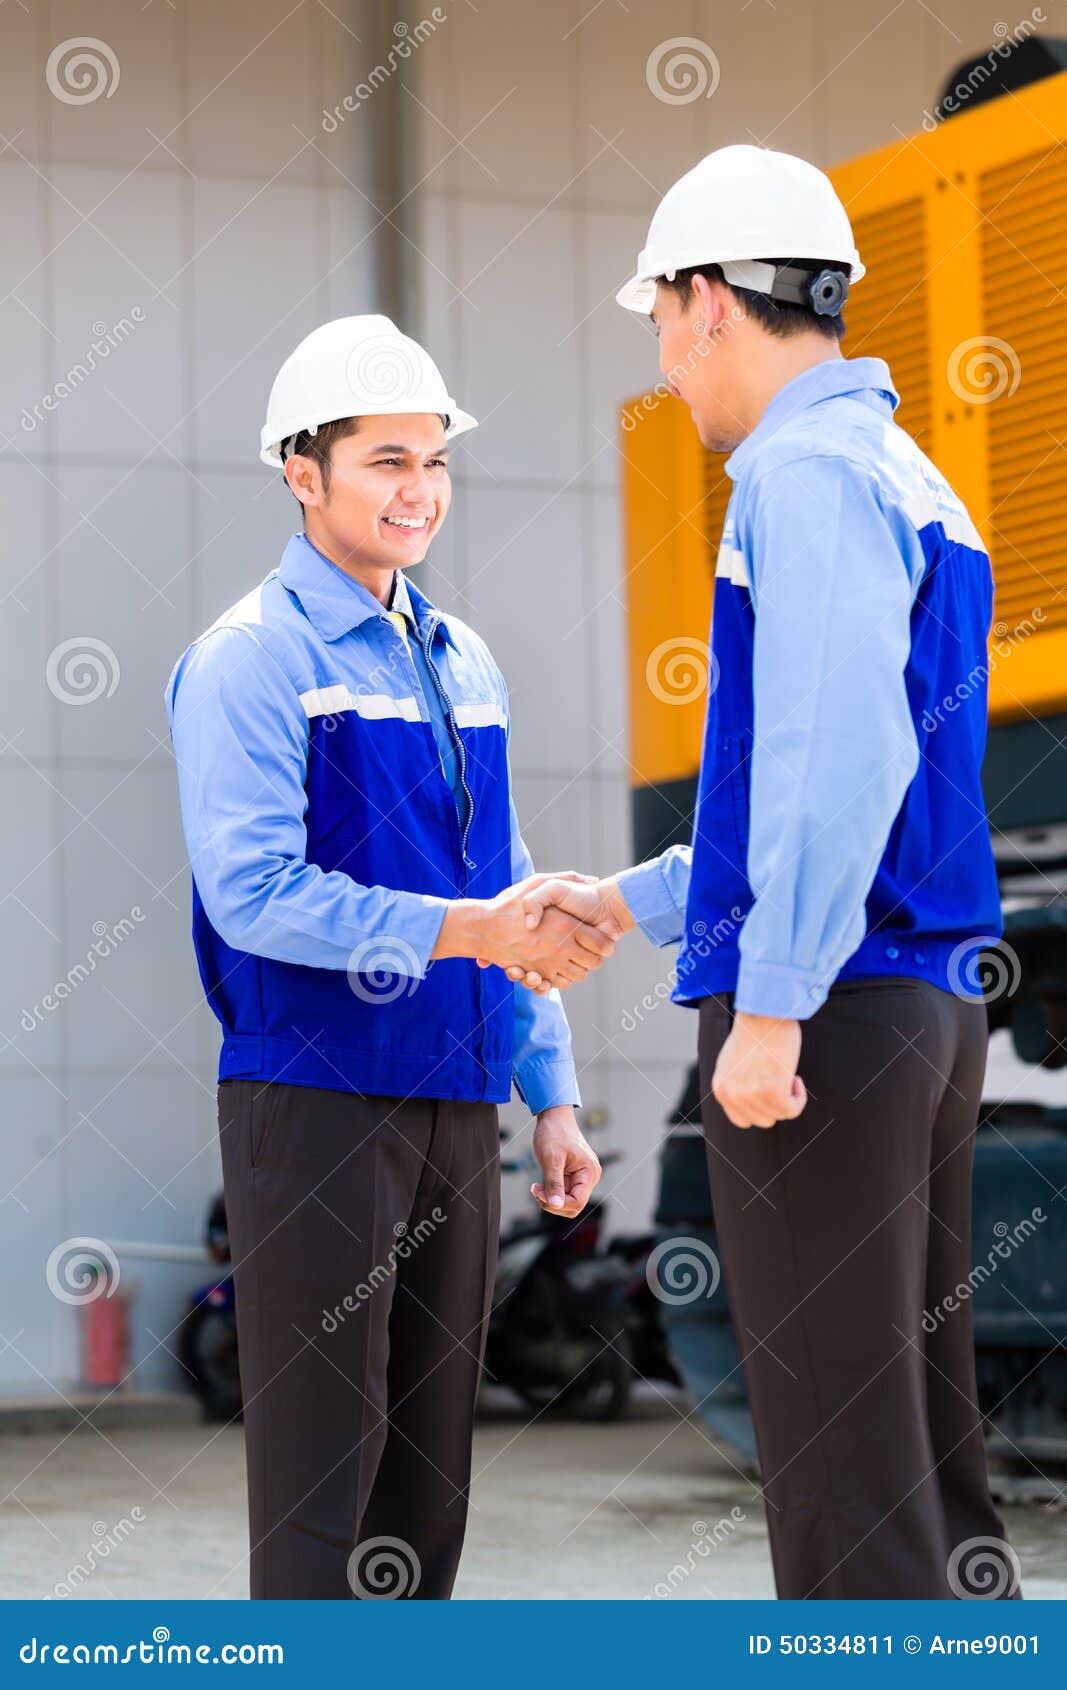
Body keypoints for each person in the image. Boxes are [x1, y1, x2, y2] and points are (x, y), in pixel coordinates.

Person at [513, 147, 1021, 1600]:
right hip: (912, 1000)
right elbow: (818, 786)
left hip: (835, 1013)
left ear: (707, 302)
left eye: (659, 322)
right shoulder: (900, 471)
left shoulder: (793, 475)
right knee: (910, 1446)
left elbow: (834, 757)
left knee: (839, 1471)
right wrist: (623, 902)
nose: (665, 365)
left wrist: (773, 997)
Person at [164, 315, 606, 1600]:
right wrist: (458, 932)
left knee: (425, 1478)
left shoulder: (462, 659)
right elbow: (252, 892)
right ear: (302, 474)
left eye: (434, 462)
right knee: (321, 1473)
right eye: (384, 462)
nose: (419, 492)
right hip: (315, 1101)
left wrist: (552, 1093)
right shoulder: (250, 658)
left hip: (459, 1101)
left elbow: (508, 883)